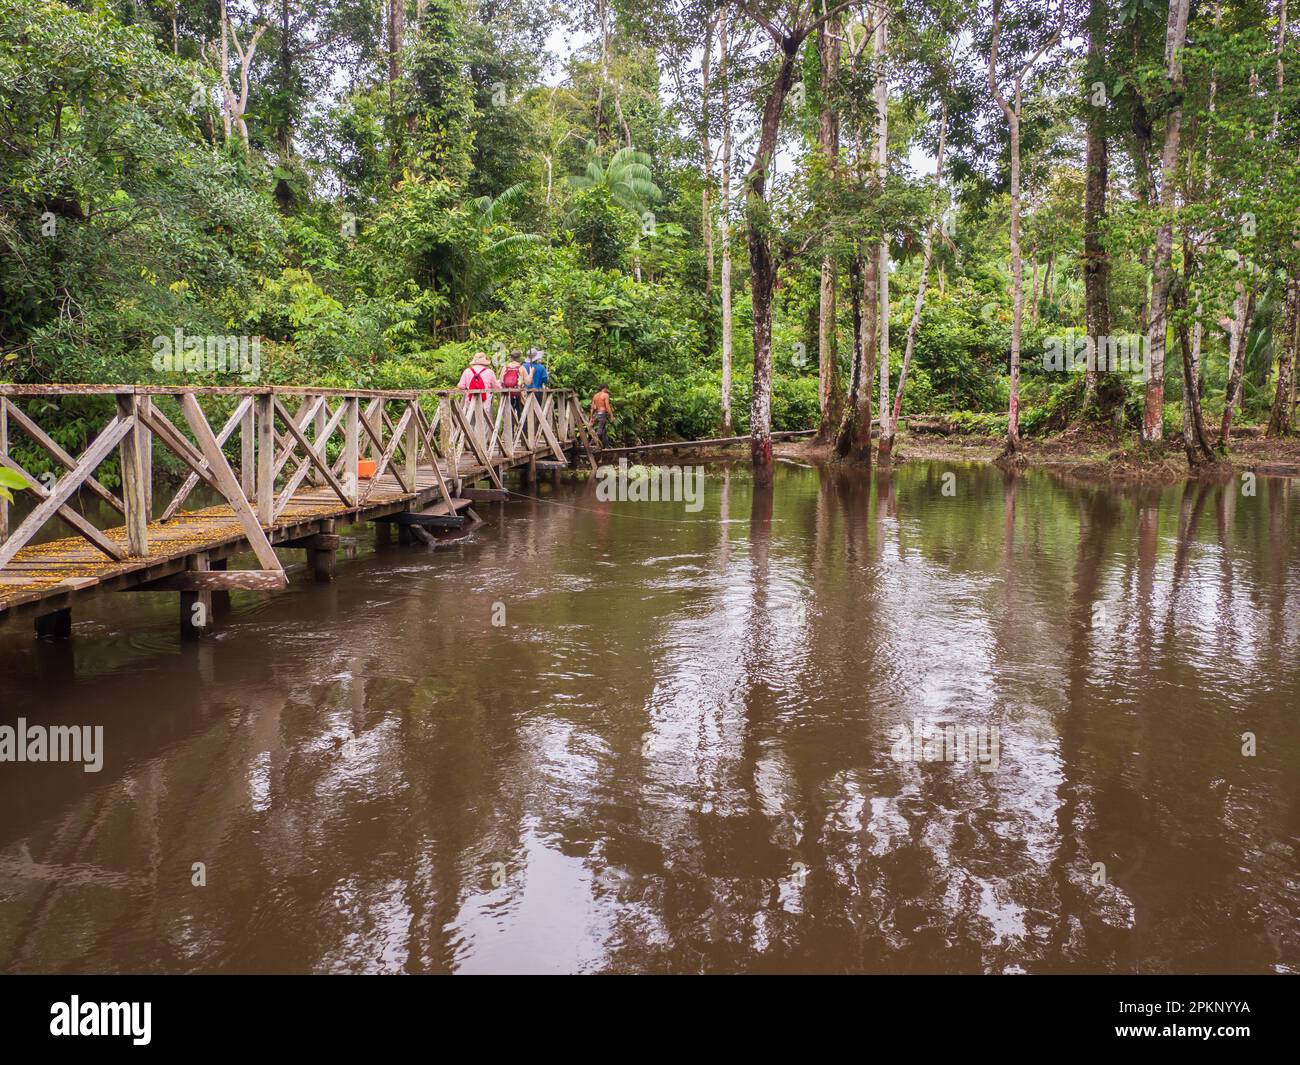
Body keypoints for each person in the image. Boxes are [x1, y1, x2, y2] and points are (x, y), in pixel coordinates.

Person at [502, 351, 525, 418]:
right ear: (519, 358)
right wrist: (531, 373)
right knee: (520, 413)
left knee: (509, 414)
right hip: (518, 393)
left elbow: (501, 381)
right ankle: (521, 428)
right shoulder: (521, 367)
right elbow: (528, 382)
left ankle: (510, 428)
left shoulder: (505, 367)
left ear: (511, 358)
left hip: (507, 394)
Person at [590, 383, 613, 449]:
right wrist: (611, 416)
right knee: (600, 431)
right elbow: (607, 406)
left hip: (596, 414)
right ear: (605, 388)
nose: (607, 390)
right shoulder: (605, 395)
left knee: (604, 431)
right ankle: (590, 443)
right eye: (607, 389)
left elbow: (592, 407)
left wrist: (591, 417)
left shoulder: (595, 395)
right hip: (602, 414)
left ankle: (607, 446)